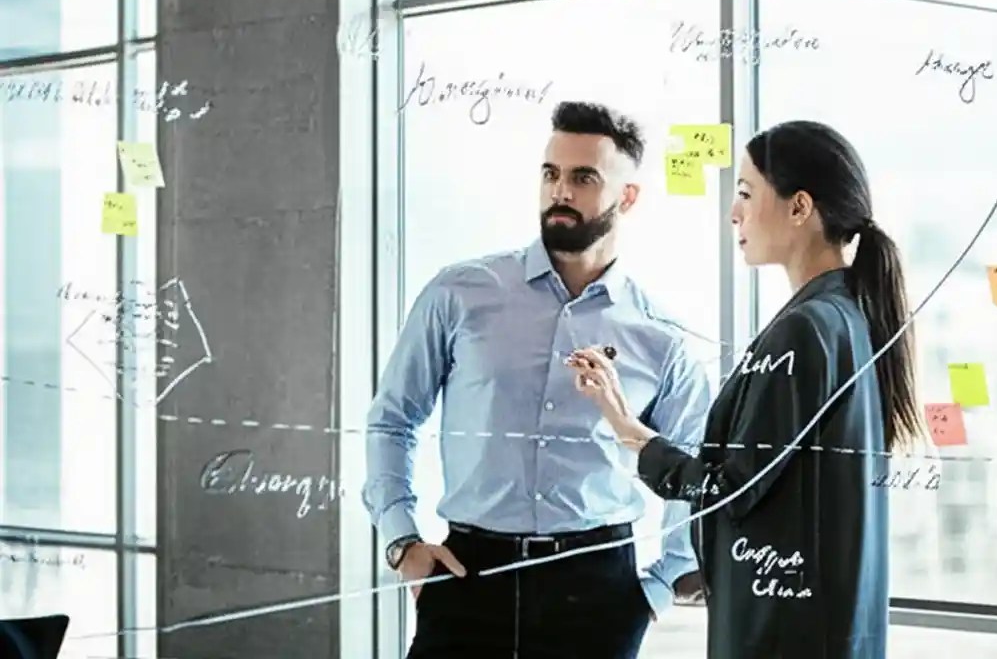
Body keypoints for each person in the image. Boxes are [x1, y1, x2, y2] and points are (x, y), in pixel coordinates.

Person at [362, 100, 713, 659]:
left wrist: (659, 587)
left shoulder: (660, 336)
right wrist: (403, 541)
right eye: (550, 173)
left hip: (598, 591)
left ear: (627, 197)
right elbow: (392, 419)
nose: (560, 192)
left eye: (583, 177)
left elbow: (696, 469)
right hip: (467, 577)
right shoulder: (459, 293)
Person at [568, 120, 925, 659]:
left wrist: (628, 429)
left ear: (799, 207)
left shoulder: (807, 330)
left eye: (744, 193)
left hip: (783, 638)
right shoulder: (846, 320)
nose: (733, 212)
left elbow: (729, 489)